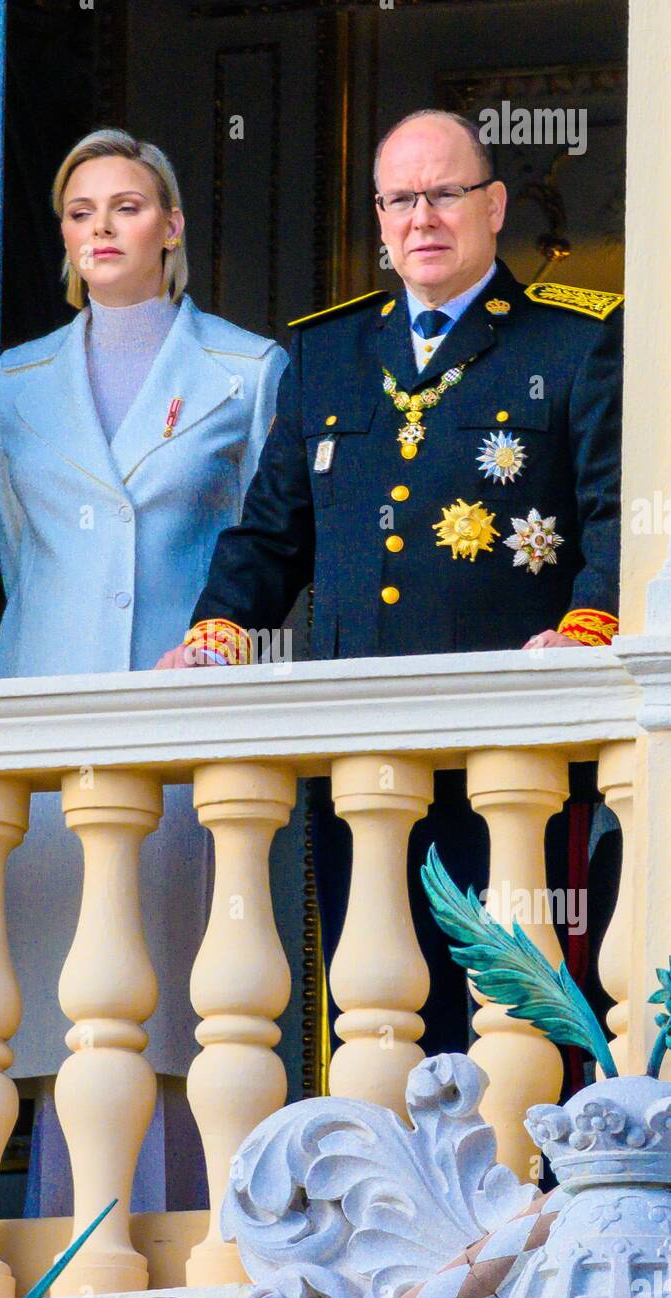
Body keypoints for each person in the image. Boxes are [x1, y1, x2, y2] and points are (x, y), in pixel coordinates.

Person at [156, 108, 623, 1065]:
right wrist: (218, 628)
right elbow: (270, 531)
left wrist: (588, 623)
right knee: (377, 1010)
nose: (423, 217)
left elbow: (615, 516)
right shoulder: (328, 355)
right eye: (401, 199)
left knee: (523, 1004)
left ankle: (532, 1201)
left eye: (446, 193)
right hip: (360, 753)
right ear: (379, 217)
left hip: (512, 747)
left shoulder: (570, 346)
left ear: (494, 207)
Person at [0, 128, 288, 1215]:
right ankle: (69, 1245)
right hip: (48, 730)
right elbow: (23, 557)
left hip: (186, 726)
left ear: (171, 226)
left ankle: (200, 1243)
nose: (101, 227)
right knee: (63, 1008)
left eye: (124, 206)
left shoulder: (248, 370)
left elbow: (264, 554)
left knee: (188, 1008)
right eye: (80, 211)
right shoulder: (11, 385)